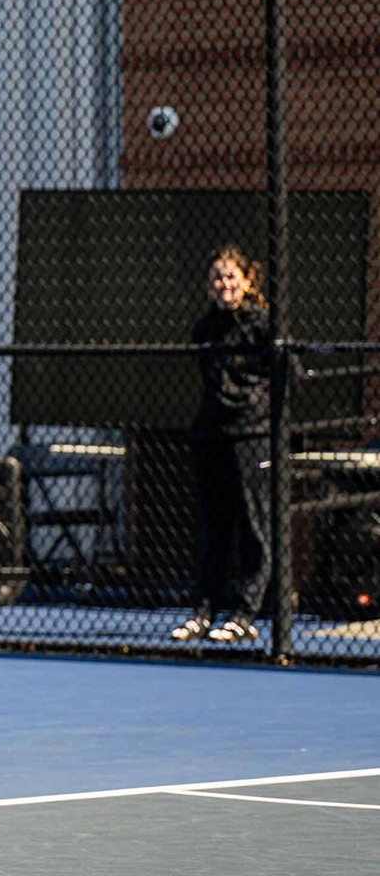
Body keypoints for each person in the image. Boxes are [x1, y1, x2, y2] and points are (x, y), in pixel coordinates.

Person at [171, 246, 272, 644]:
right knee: (213, 529)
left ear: (247, 282)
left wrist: (257, 409)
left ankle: (245, 614)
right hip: (211, 437)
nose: (224, 284)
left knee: (253, 526)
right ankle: (203, 611)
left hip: (251, 437)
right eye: (217, 277)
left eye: (231, 277)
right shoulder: (205, 329)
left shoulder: (264, 325)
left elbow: (287, 377)